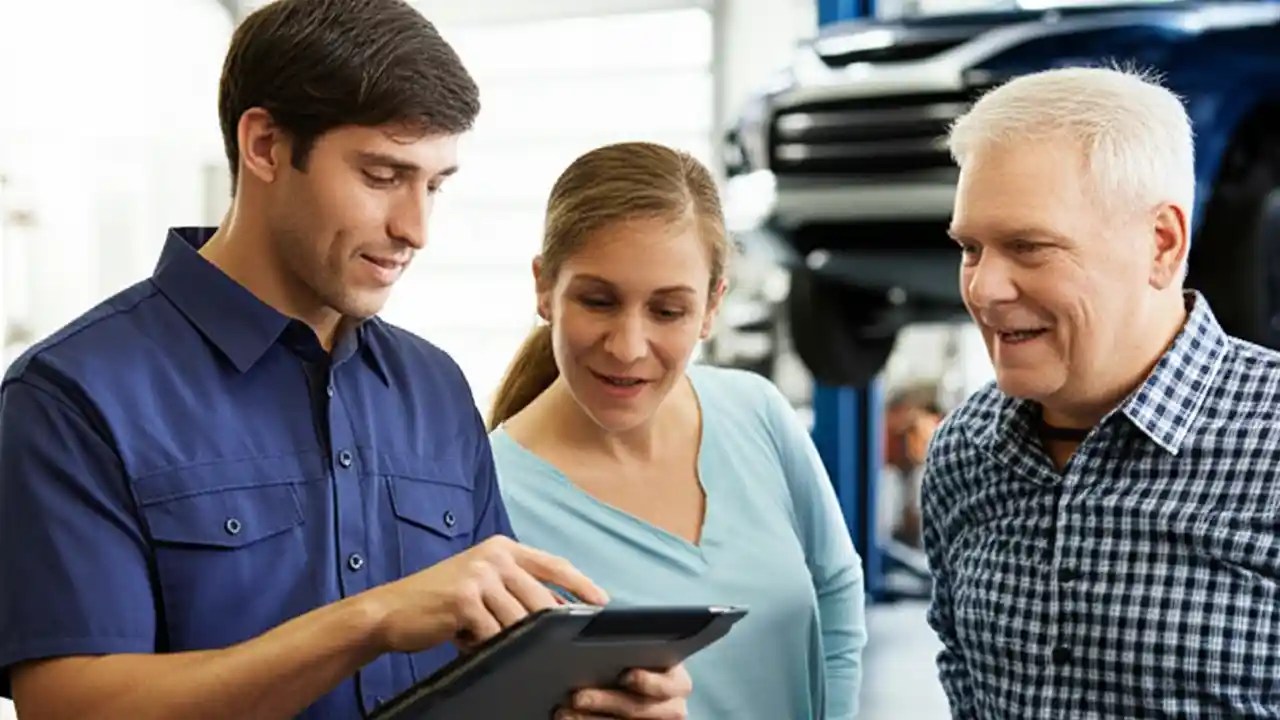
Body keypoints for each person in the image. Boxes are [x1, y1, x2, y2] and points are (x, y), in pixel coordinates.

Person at [0, 2, 692, 718]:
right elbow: (69, 708)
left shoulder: (433, 388)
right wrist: (369, 621)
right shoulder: (74, 398)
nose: (415, 227)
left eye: (435, 184)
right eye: (383, 174)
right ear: (265, 146)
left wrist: (581, 700)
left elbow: (493, 675)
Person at [922, 65, 1280, 717]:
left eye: (1029, 247)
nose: (983, 289)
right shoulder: (962, 454)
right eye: (971, 248)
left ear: (1161, 244)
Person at [485, 141, 868, 719]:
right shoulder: (486, 497)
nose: (628, 347)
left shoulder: (756, 414)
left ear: (713, 305)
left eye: (667, 311)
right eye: (598, 301)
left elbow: (835, 594)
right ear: (545, 288)